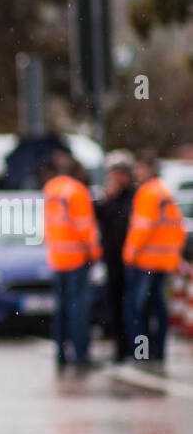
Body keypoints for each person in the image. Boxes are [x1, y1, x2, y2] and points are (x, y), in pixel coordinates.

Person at [123, 151, 187, 365]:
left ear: (149, 169)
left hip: (144, 261)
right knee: (158, 309)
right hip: (163, 262)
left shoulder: (148, 193)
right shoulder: (165, 193)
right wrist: (172, 255)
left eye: (139, 168)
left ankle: (141, 353)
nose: (136, 173)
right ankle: (159, 351)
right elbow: (179, 228)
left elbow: (142, 228)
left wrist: (129, 254)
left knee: (138, 311)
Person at [41, 156, 101, 370]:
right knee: (79, 309)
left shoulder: (51, 189)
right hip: (76, 259)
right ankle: (80, 354)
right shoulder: (77, 191)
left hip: (57, 258)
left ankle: (60, 352)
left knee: (61, 309)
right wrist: (94, 253)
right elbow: (85, 227)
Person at [93, 151, 136, 362]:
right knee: (116, 306)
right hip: (113, 260)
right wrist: (106, 198)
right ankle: (120, 351)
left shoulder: (135, 197)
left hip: (133, 260)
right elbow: (97, 217)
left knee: (136, 308)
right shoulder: (109, 198)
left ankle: (140, 351)